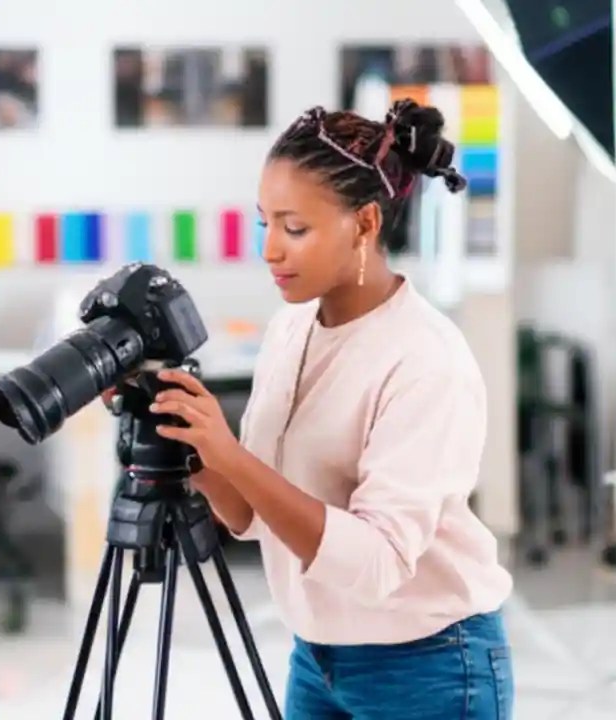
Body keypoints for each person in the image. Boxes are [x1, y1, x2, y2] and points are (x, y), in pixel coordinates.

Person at [147, 101, 516, 718]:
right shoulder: (290, 329)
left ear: (365, 222)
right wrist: (191, 442)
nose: (270, 250)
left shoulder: (425, 360)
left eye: (295, 229)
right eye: (264, 223)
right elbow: (247, 513)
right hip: (318, 659)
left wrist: (233, 455)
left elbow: (376, 564)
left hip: (429, 666)